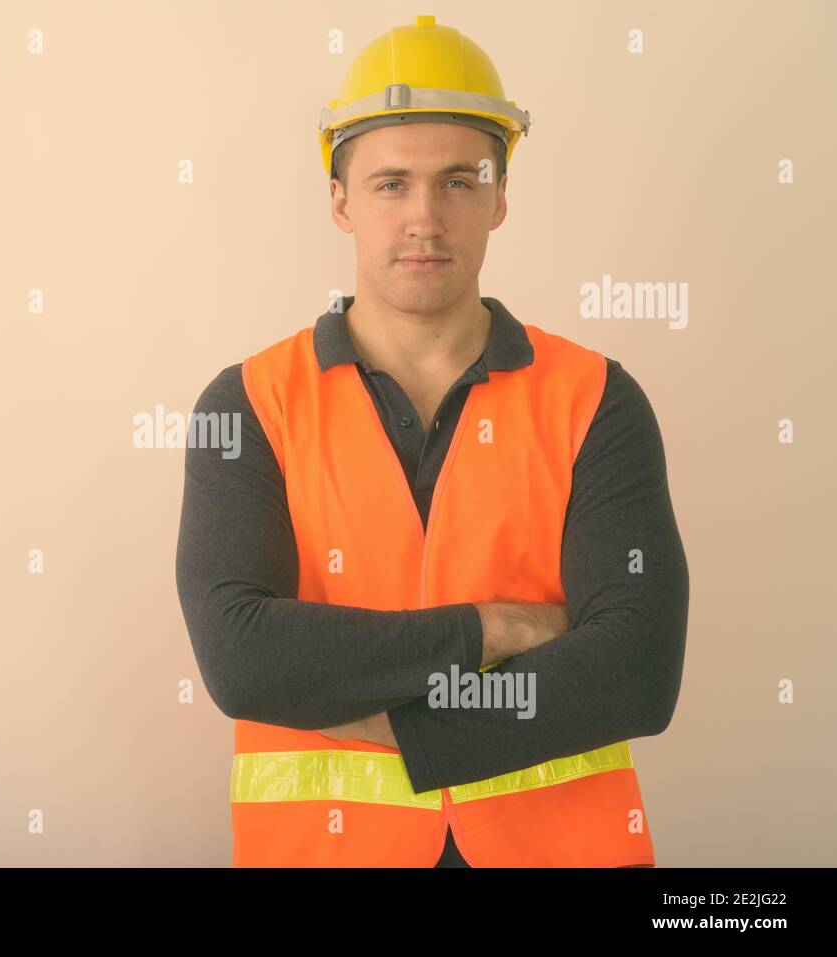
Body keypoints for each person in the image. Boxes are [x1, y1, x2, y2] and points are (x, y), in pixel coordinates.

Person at [175, 15, 689, 867]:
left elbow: (633, 672)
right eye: (390, 184)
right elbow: (243, 657)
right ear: (340, 201)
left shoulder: (597, 399)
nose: (425, 217)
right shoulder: (248, 405)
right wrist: (490, 629)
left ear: (500, 195)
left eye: (459, 181)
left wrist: (384, 716)